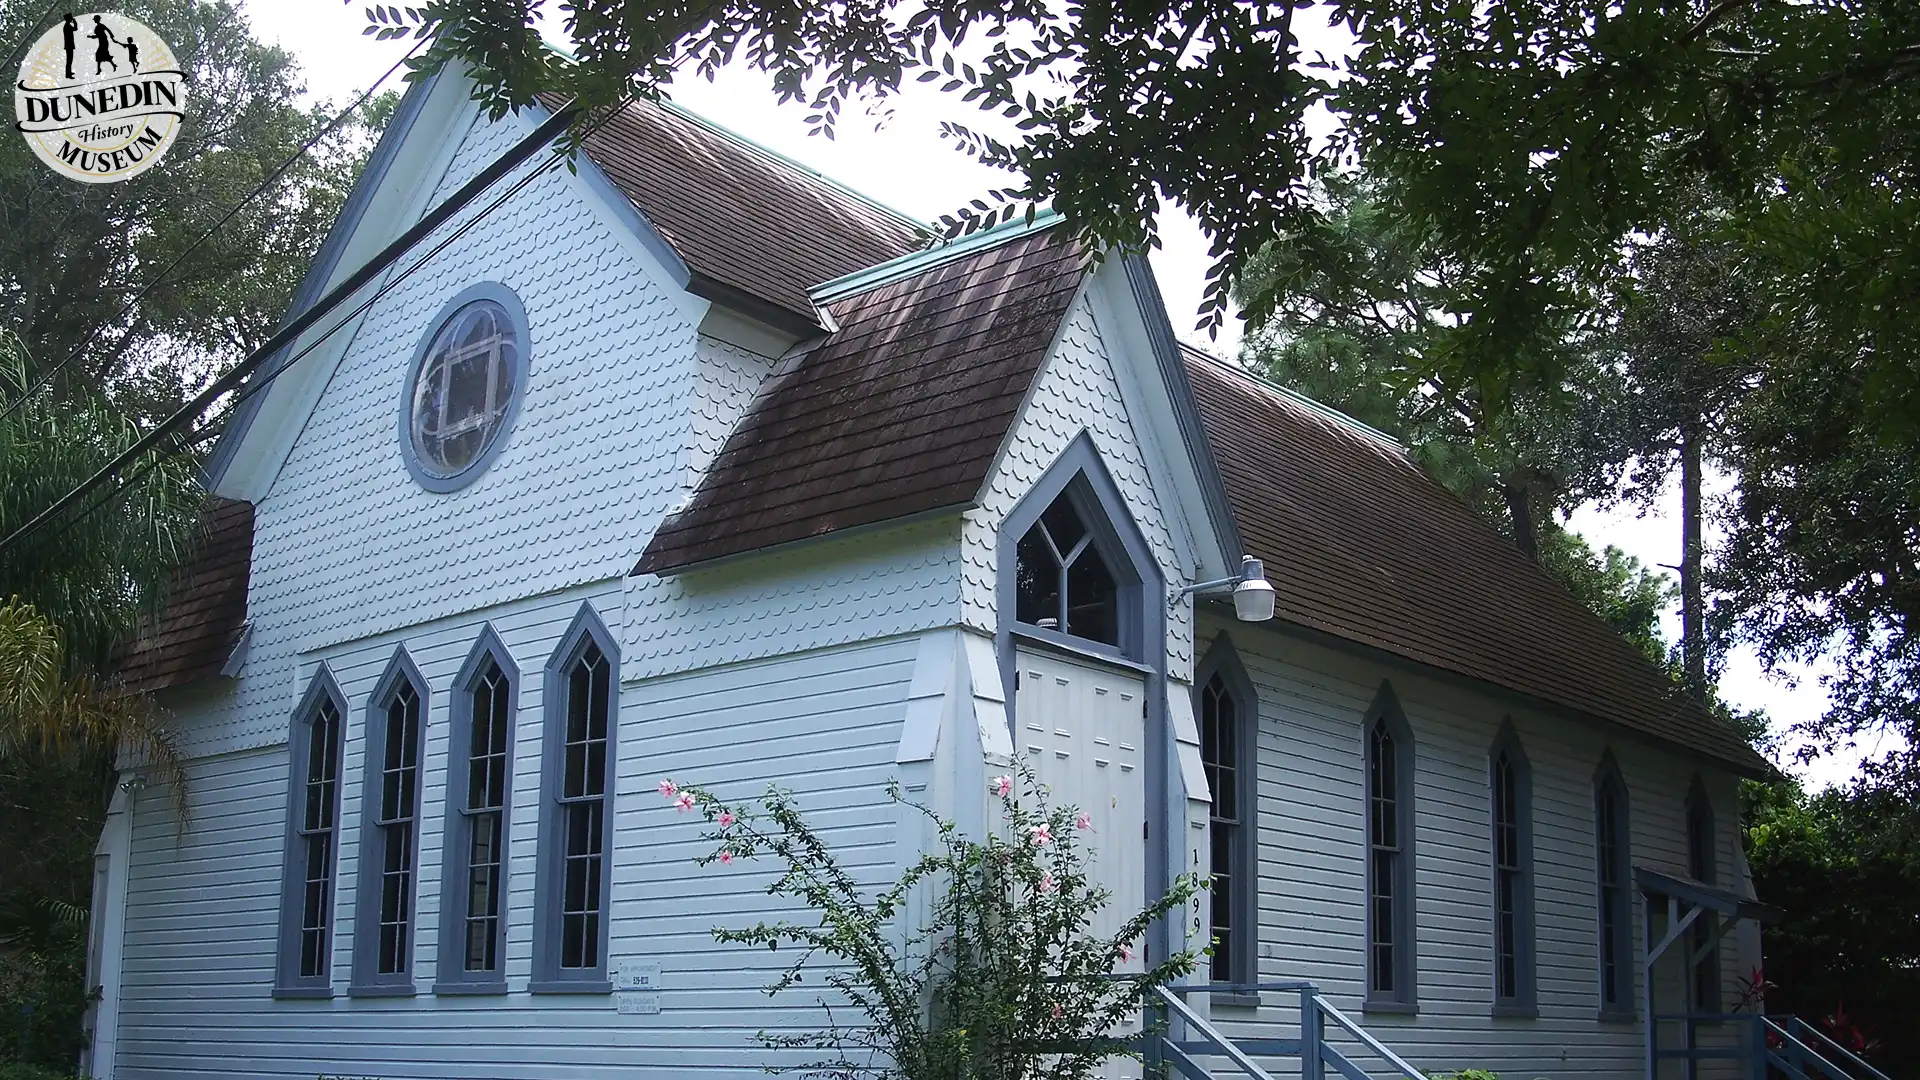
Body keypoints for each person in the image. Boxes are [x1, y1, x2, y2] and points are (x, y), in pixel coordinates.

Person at [61, 12, 77, 80]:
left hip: (68, 45)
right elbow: (75, 29)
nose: (71, 19)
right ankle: (68, 74)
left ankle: (69, 72)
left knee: (69, 60)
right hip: (69, 45)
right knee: (69, 60)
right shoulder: (67, 26)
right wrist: (75, 22)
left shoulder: (67, 25)